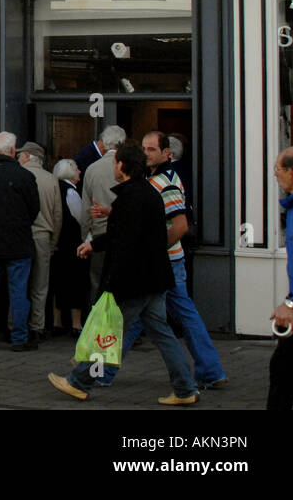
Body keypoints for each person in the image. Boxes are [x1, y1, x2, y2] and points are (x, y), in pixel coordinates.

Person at [48, 140, 198, 405]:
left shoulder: (130, 197)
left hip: (134, 281)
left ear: (121, 166)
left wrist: (110, 281)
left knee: (108, 331)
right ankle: (186, 389)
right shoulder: (148, 192)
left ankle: (79, 381)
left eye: (115, 163)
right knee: (163, 335)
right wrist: (94, 244)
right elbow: (128, 234)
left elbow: (124, 242)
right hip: (155, 277)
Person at [121, 131, 226, 390]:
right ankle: (211, 371)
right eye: (143, 148)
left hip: (165, 261)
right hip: (166, 260)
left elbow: (178, 225)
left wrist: (154, 251)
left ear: (167, 153)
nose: (146, 153)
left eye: (151, 149)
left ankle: (96, 370)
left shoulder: (164, 181)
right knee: (141, 318)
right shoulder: (154, 178)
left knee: (136, 316)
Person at [0, 131, 39, 351]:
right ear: (13, 151)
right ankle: (19, 338)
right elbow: (34, 209)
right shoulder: (24, 176)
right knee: (18, 290)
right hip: (17, 239)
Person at [19, 141, 63, 345]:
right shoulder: (51, 179)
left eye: (21, 154)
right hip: (43, 236)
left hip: (21, 235)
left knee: (18, 284)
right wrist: (54, 242)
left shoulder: (17, 175)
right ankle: (37, 326)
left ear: (27, 156)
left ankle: (15, 324)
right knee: (40, 286)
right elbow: (57, 214)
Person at [82, 125, 127, 303]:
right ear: (122, 143)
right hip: (123, 234)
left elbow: (86, 209)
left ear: (104, 144)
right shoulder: (129, 167)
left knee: (97, 282)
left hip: (99, 233)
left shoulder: (92, 169)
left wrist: (85, 237)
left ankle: (98, 324)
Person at [268, 146, 293, 410]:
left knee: (283, 376)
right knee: (282, 373)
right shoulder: (292, 207)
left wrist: (291, 305)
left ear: (291, 172)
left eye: (277, 169)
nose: (275, 175)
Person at [50, 159, 88, 337]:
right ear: (70, 172)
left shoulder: (54, 188)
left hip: (57, 244)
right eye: (77, 168)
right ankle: (76, 323)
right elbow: (81, 220)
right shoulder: (71, 192)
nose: (80, 172)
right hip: (72, 244)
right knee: (75, 283)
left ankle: (57, 322)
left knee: (58, 281)